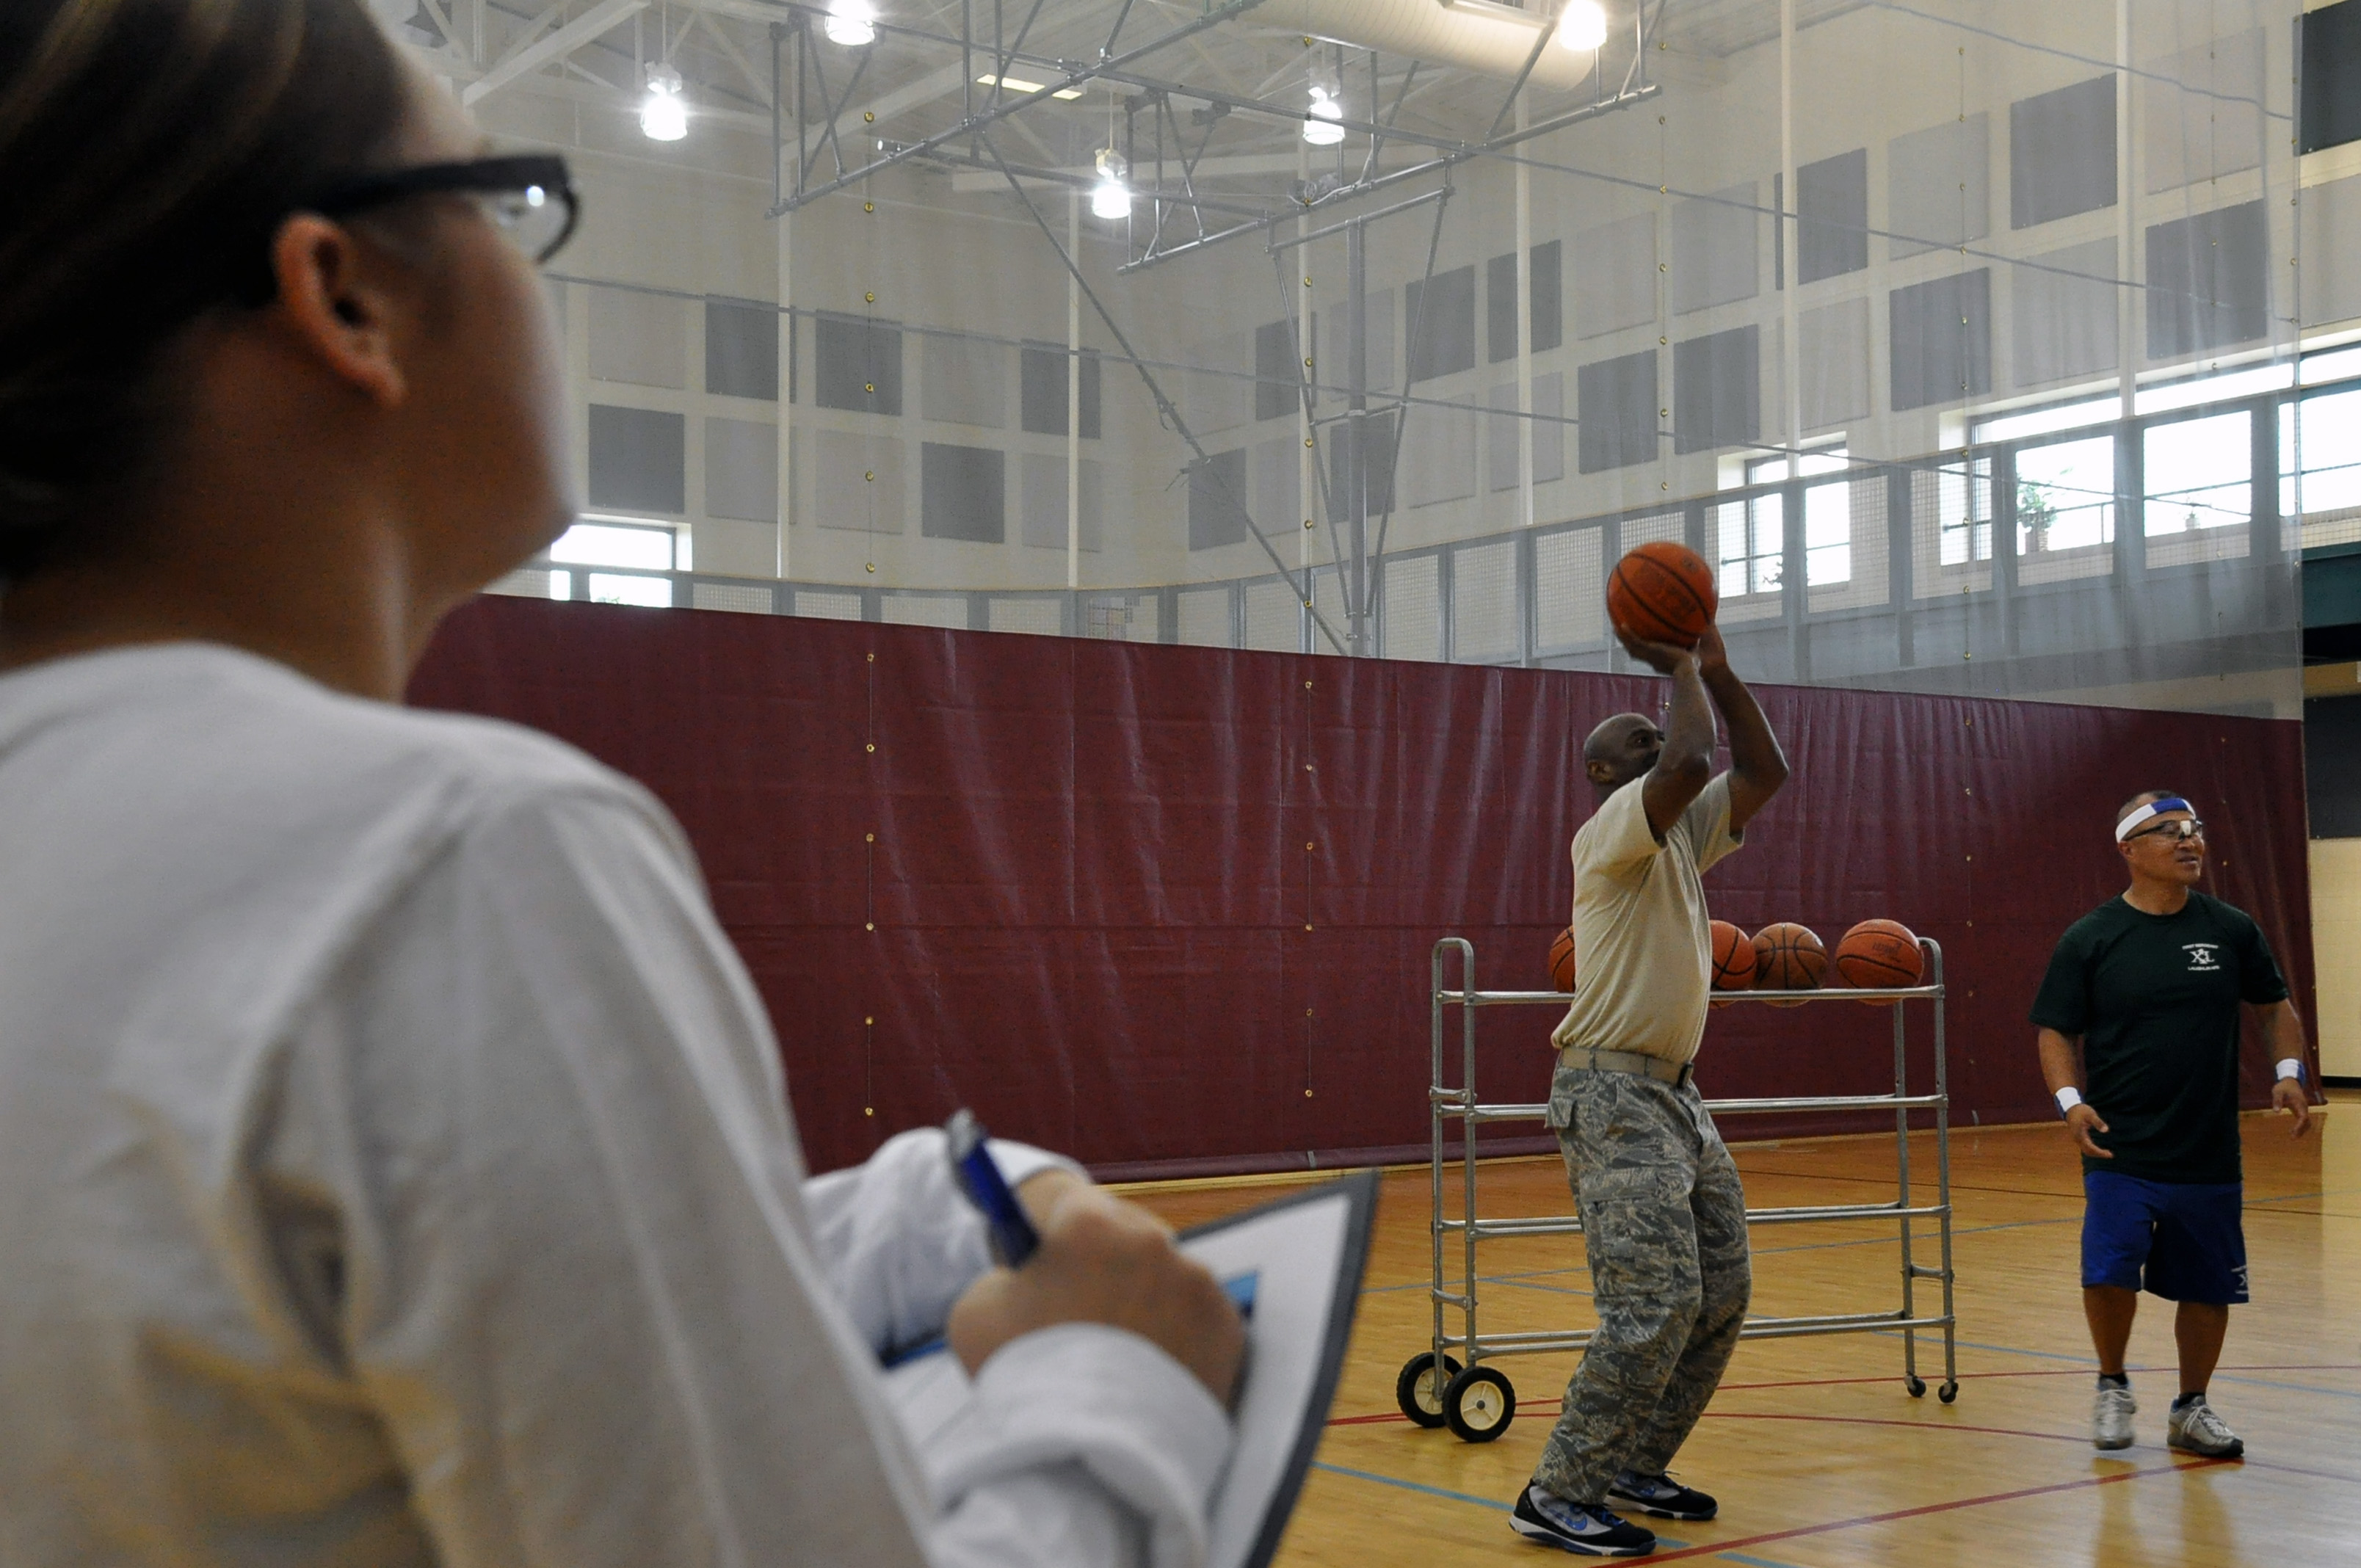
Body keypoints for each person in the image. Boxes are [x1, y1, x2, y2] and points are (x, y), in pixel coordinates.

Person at [0, 4, 1244, 1564]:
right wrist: (1115, 1380)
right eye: (506, 201)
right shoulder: (445, 857)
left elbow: (286, 1347)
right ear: (345, 295)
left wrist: (904, 1212)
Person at [1510, 622, 1789, 1558]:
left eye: (1652, 730)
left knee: (1721, 1294)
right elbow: (1692, 753)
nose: (1656, 740)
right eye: (1635, 739)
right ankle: (1557, 1491)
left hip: (1678, 1100)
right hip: (1611, 1097)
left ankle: (1631, 1461)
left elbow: (1762, 768)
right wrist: (1677, 671)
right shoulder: (1613, 833)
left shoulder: (1680, 836)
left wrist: (1720, 668)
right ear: (1602, 773)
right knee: (1653, 1304)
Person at [2031, 789, 2314, 1460]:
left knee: (2208, 1284)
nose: (2190, 842)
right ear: (2129, 849)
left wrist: (2288, 1070)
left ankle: (2191, 1408)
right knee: (2107, 1272)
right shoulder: (2091, 938)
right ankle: (2112, 1385)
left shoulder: (2231, 928)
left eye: (2195, 830)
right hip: (2120, 1144)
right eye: (2169, 832)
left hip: (2208, 1146)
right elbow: (2055, 1030)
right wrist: (2071, 1101)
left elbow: (2275, 1005)